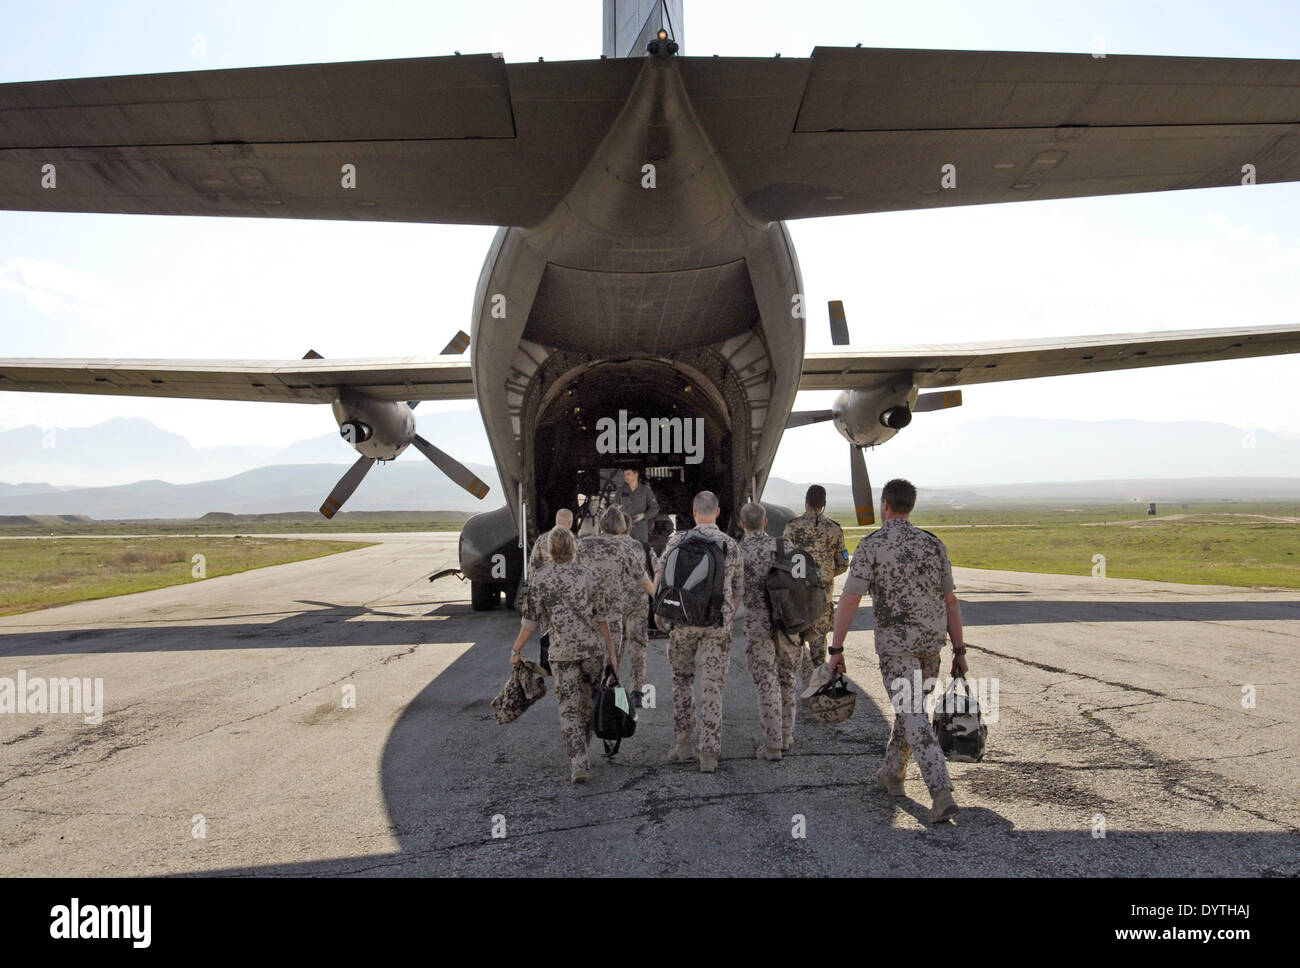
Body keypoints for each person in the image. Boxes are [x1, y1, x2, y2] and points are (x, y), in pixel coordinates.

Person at [826, 478, 968, 824]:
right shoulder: (934, 545)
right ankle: (892, 773)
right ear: (910, 507)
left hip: (897, 648)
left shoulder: (872, 545)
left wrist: (836, 647)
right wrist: (960, 650)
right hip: (931, 646)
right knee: (912, 710)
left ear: (885, 505)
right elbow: (951, 601)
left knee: (914, 715)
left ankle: (941, 791)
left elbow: (849, 600)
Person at [511, 526, 619, 785]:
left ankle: (578, 761)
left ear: (549, 550)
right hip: (592, 650)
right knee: (589, 704)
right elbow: (603, 619)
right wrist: (612, 654)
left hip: (561, 654)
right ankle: (585, 749)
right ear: (573, 548)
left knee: (568, 708)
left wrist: (516, 650)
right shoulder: (589, 575)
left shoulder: (539, 579)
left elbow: (530, 622)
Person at [653, 490, 742, 773]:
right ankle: (709, 753)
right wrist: (726, 615)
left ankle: (683, 745)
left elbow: (661, 577)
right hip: (716, 623)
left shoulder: (677, 540)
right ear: (717, 513)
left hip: (682, 620)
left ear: (693, 513)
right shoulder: (730, 545)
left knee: (681, 680)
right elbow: (738, 589)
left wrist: (660, 611)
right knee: (712, 685)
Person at [578, 506, 656, 706]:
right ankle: (624, 701)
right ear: (624, 527)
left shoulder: (583, 545)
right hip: (620, 609)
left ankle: (596, 696)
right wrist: (661, 601)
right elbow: (645, 578)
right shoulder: (631, 547)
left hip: (589, 610)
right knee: (626, 650)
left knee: (595, 653)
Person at [738, 501, 797, 760]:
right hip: (788, 624)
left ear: (743, 525)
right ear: (765, 523)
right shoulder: (785, 547)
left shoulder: (739, 552)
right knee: (787, 678)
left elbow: (733, 591)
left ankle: (772, 745)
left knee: (766, 682)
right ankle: (786, 735)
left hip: (758, 625)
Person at [782, 484, 848, 684]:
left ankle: (803, 682)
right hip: (822, 597)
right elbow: (843, 563)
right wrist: (825, 575)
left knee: (797, 642)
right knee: (819, 644)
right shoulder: (834, 529)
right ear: (824, 504)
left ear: (806, 502)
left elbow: (784, 562)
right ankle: (818, 686)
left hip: (798, 597)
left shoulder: (792, 527)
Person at [616, 468, 659, 546]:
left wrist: (644, 515)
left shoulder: (645, 490)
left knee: (641, 551)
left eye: (628, 474)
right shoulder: (620, 491)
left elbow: (655, 508)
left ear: (636, 475)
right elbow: (614, 508)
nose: (625, 477)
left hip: (640, 529)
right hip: (624, 528)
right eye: (624, 475)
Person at [529, 508, 574, 574]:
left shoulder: (542, 539)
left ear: (556, 521)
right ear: (570, 523)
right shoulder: (574, 541)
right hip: (571, 581)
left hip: (547, 581)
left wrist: (534, 581)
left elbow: (533, 564)